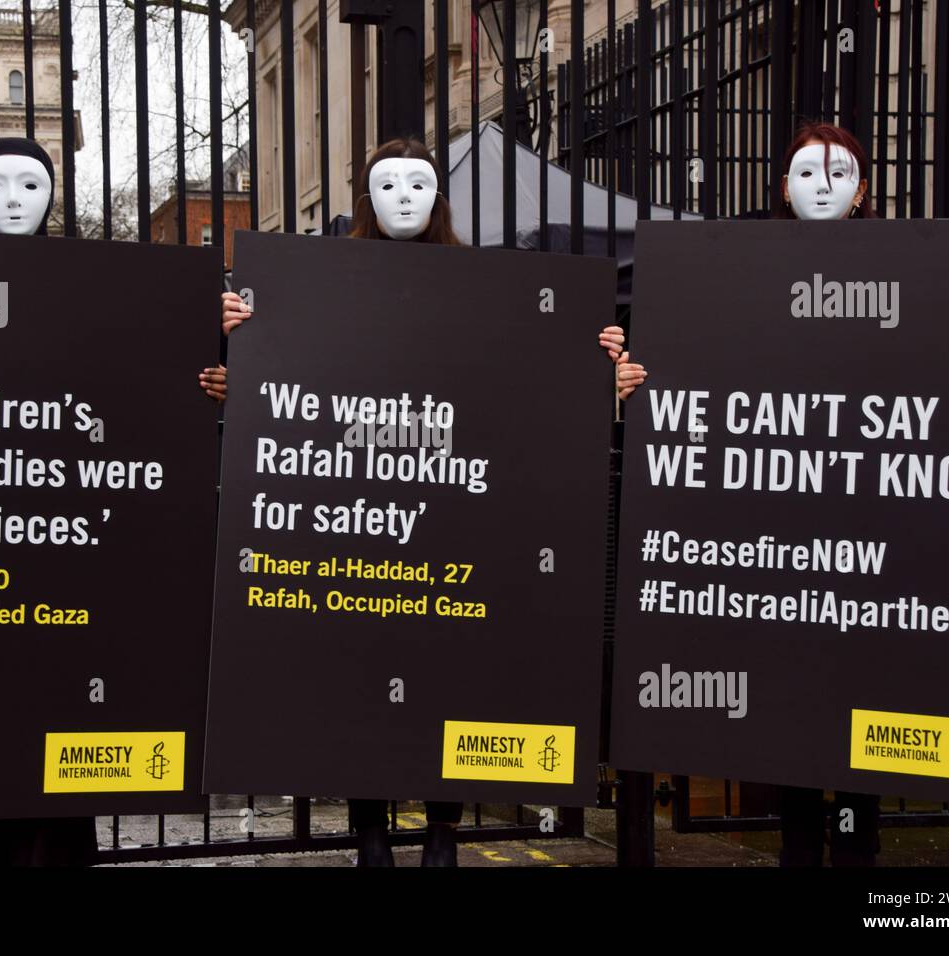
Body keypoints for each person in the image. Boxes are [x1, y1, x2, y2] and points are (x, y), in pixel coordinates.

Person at [200, 137, 628, 865]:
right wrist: (240, 346)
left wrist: (598, 363)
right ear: (366, 199)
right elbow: (280, 388)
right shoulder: (319, 285)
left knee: (447, 662)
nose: (404, 195)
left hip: (452, 508)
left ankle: (440, 825)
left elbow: (520, 385)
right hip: (361, 512)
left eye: (419, 182)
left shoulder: (489, 286)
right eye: (388, 183)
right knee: (366, 660)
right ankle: (369, 827)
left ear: (439, 197)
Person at [619, 121, 882, 865]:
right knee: (791, 727)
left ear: (864, 192)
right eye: (806, 172)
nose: (822, 186)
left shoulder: (922, 278)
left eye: (839, 174)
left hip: (872, 543)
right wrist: (632, 381)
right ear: (782, 189)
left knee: (861, 721)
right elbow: (696, 373)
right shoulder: (739, 274)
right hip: (774, 542)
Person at [0, 137, 99, 867]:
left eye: (29, 185)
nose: (11, 199)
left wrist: (208, 377)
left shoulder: (93, 281)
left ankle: (49, 851)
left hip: (63, 541)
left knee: (52, 702)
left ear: (53, 194)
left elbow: (132, 383)